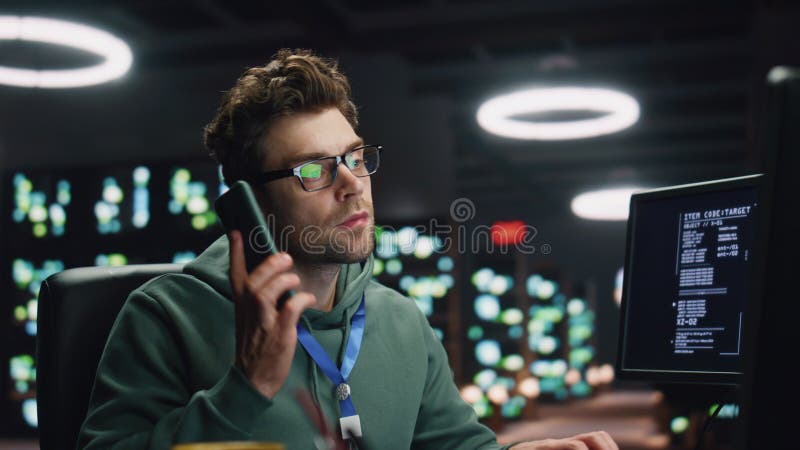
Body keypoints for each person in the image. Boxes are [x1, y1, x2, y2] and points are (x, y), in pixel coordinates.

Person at [77, 49, 618, 450]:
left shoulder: (400, 318)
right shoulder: (165, 313)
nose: (351, 183)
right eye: (313, 170)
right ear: (249, 203)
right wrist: (246, 388)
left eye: (355, 158)